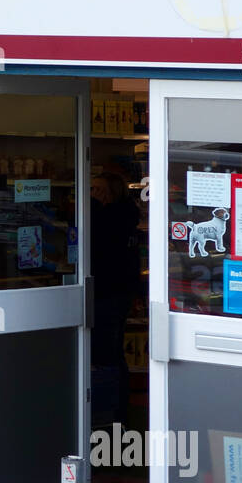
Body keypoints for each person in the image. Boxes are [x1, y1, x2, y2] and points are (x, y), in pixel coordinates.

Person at [89, 171, 140, 430]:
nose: (92, 194)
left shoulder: (110, 218)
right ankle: (118, 412)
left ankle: (109, 416)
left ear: (110, 193)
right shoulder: (126, 217)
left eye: (97, 189)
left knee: (104, 354)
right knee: (114, 352)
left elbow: (101, 246)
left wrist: (93, 208)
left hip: (107, 294)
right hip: (116, 293)